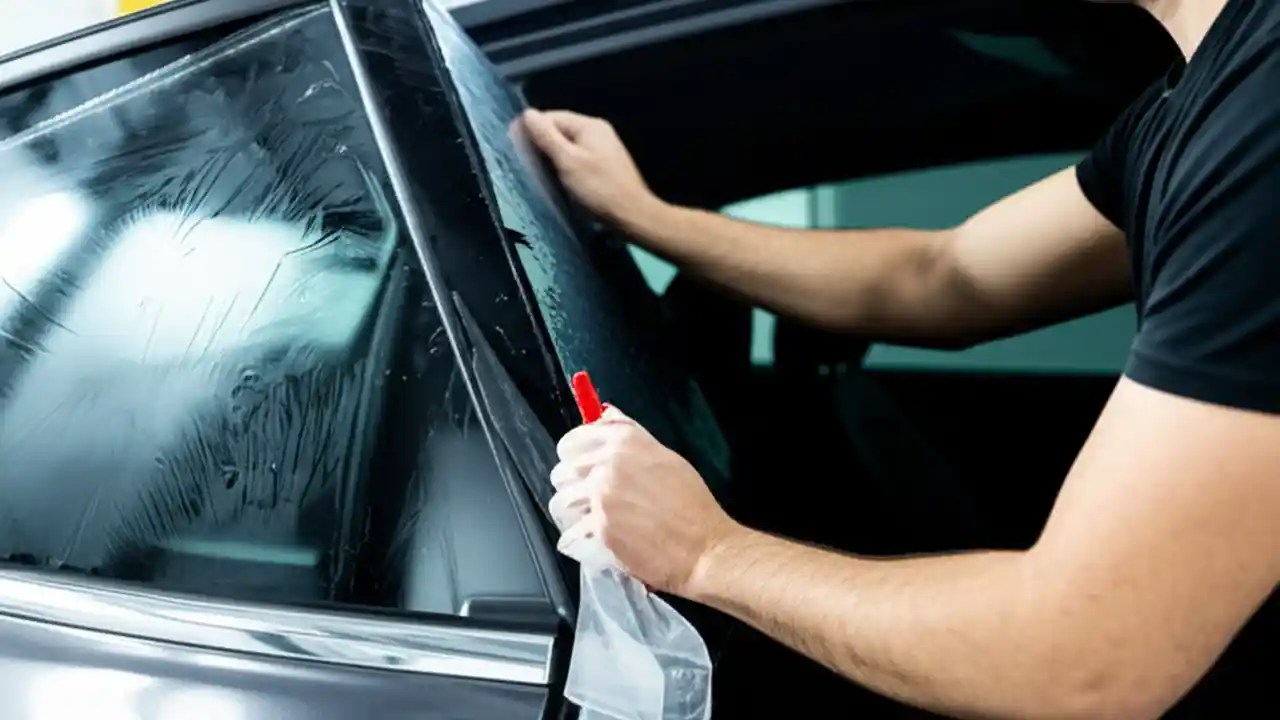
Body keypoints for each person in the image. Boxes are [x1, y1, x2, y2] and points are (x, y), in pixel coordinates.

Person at [524, 0, 1278, 717]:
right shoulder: (1194, 106)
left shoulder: (1265, 122)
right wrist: (646, 216)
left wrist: (702, 553)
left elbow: (1087, 651)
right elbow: (943, 278)